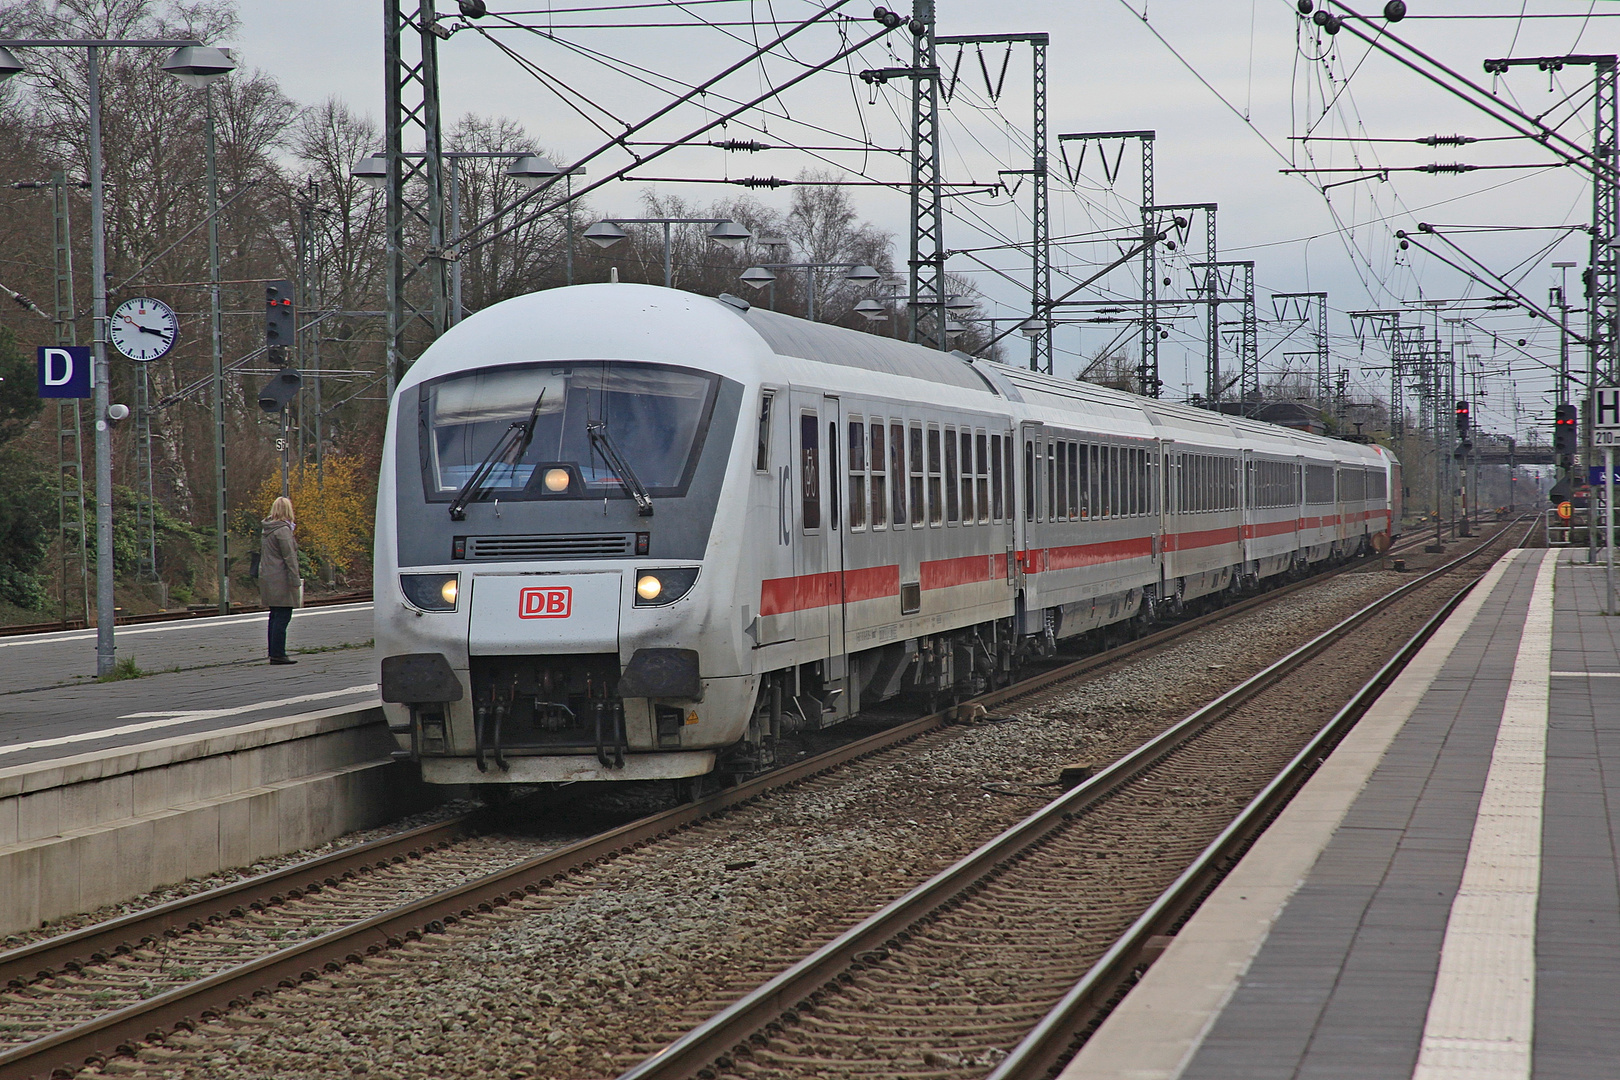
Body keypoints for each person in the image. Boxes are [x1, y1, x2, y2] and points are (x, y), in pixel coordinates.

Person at [261, 496, 302, 664]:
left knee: (275, 614)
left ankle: (274, 652)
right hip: (281, 578)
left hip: (268, 576)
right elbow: (289, 557)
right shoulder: (283, 530)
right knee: (283, 615)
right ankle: (279, 653)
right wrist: (295, 579)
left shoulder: (267, 529)